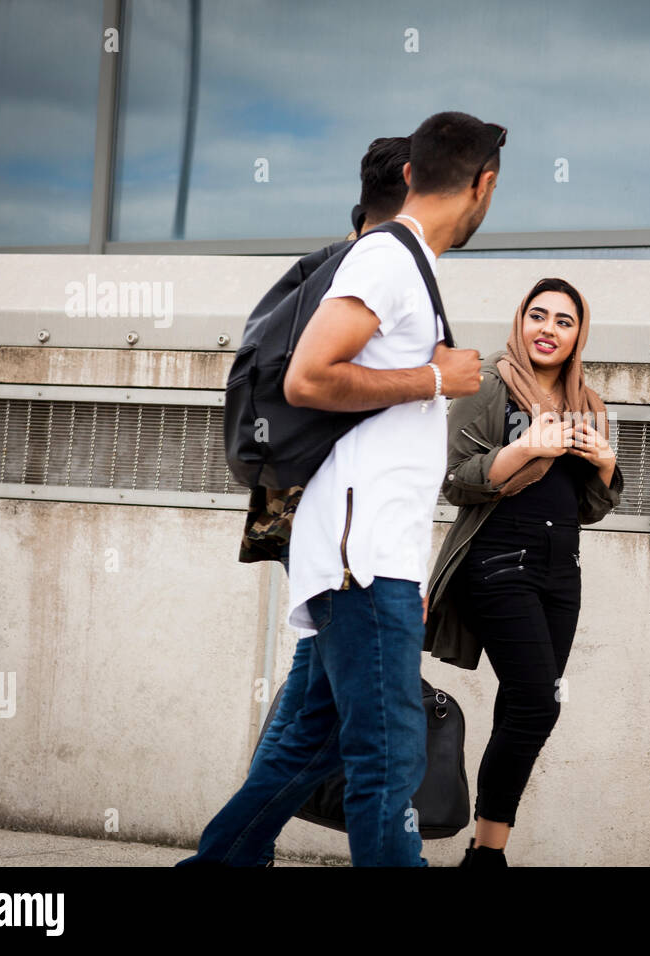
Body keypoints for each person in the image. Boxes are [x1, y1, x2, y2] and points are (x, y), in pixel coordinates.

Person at [179, 110, 501, 867]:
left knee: (304, 746)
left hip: (370, 556)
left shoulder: (405, 262)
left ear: (414, 174)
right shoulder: (386, 259)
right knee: (387, 762)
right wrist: (434, 378)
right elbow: (309, 376)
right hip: (363, 561)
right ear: (484, 186)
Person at [237, 135, 410, 867]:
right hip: (336, 518)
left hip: (304, 501)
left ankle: (242, 848)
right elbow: (325, 387)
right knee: (340, 714)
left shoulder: (332, 261)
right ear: (414, 182)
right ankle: (241, 848)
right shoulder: (368, 272)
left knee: (314, 693)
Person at [423, 277, 624, 866]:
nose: (549, 329)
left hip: (562, 571)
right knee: (540, 703)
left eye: (564, 321)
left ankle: (486, 852)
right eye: (538, 316)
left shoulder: (587, 403)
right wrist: (527, 447)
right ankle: (487, 857)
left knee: (523, 702)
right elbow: (455, 479)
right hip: (498, 558)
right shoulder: (490, 383)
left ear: (578, 334)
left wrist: (607, 465)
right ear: (521, 321)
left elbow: (586, 507)